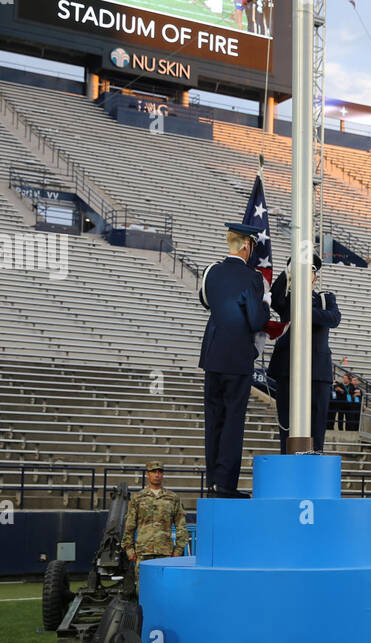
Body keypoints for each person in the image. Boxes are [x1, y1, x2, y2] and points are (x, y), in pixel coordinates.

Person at [199, 221, 269, 497]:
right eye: (251, 245)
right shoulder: (251, 278)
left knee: (213, 420)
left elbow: (206, 301)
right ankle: (226, 483)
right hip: (237, 357)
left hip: (212, 353)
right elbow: (254, 320)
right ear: (245, 245)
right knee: (232, 421)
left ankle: (213, 481)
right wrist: (264, 307)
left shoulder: (211, 272)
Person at [267, 255, 341, 453]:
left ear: (315, 277)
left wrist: (303, 309)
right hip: (288, 367)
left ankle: (313, 468)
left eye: (310, 272)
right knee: (288, 425)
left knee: (316, 426)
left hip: (318, 370)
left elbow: (333, 318)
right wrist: (289, 271)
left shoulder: (325, 299)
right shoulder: (288, 298)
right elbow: (274, 297)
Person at [121, 460, 188, 594]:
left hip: (166, 553)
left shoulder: (172, 498)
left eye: (160, 472)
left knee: (165, 589)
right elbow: (129, 525)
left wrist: (178, 550)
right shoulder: (138, 498)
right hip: (143, 552)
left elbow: (181, 525)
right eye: (154, 472)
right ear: (148, 475)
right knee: (143, 590)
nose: (157, 475)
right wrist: (129, 549)